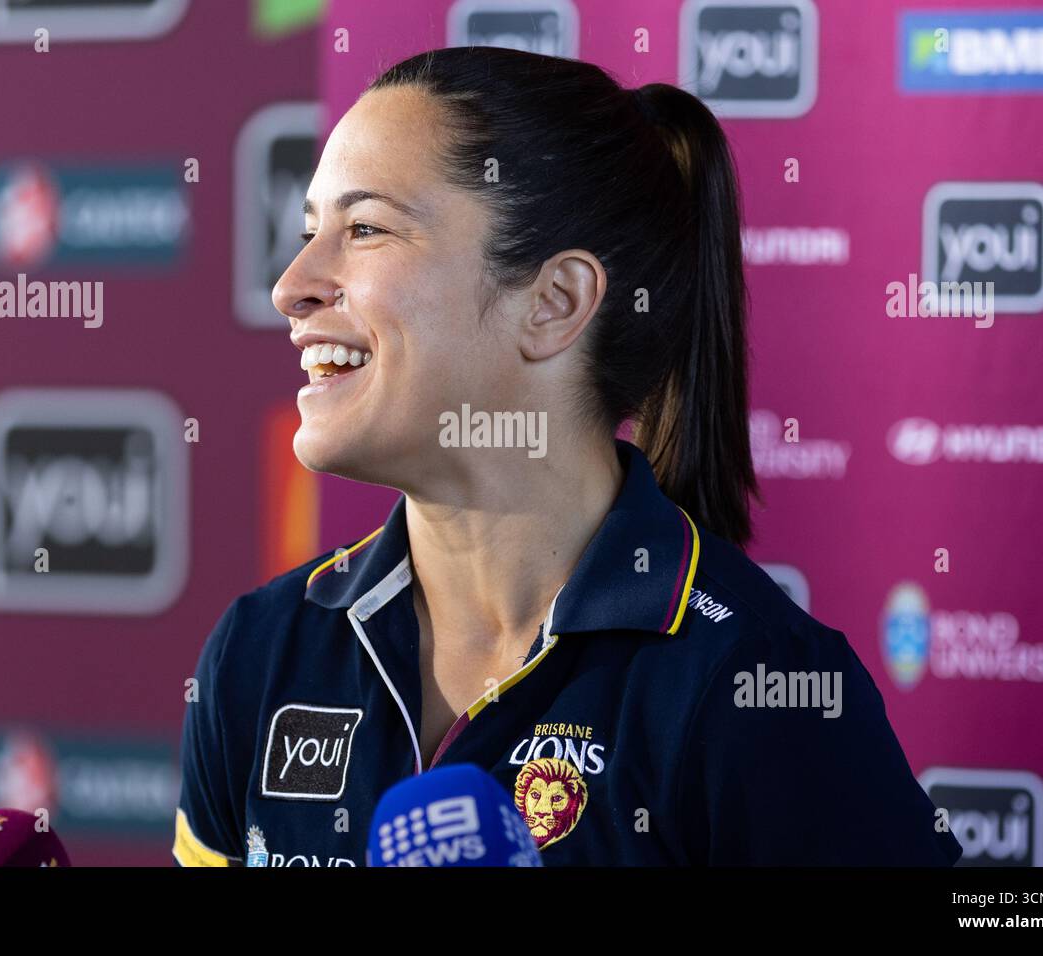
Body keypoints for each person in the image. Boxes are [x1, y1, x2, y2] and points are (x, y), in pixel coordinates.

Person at [173, 46, 962, 866]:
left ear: (555, 303)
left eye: (364, 228)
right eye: (310, 233)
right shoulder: (262, 650)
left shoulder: (757, 684)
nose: (292, 284)